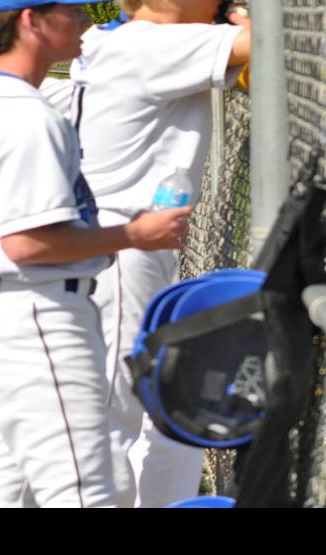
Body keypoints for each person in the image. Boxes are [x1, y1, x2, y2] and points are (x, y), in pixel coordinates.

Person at [0, 0, 190, 507]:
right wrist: (135, 234)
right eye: (71, 10)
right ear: (31, 21)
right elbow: (30, 243)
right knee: (79, 490)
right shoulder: (25, 116)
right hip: (34, 315)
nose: (84, 22)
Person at [70, 0, 248, 508]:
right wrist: (240, 19)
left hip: (122, 242)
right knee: (116, 409)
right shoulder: (153, 43)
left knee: (154, 403)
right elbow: (267, 40)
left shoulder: (117, 39)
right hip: (124, 246)